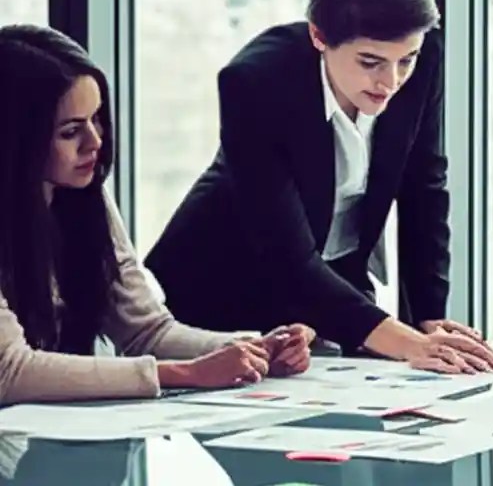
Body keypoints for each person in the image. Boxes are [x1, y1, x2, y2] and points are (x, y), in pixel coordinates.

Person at [144, 0, 493, 374]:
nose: (390, 81)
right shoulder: (256, 82)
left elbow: (424, 189)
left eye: (405, 60)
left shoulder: (422, 65)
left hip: (325, 308)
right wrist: (404, 341)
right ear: (319, 35)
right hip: (219, 296)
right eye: (370, 62)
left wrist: (428, 320)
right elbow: (286, 256)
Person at [0, 25, 312, 404]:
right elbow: (10, 371)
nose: (95, 142)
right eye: (70, 131)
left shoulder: (82, 196)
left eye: (97, 118)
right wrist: (185, 374)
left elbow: (146, 332)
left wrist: (252, 349)